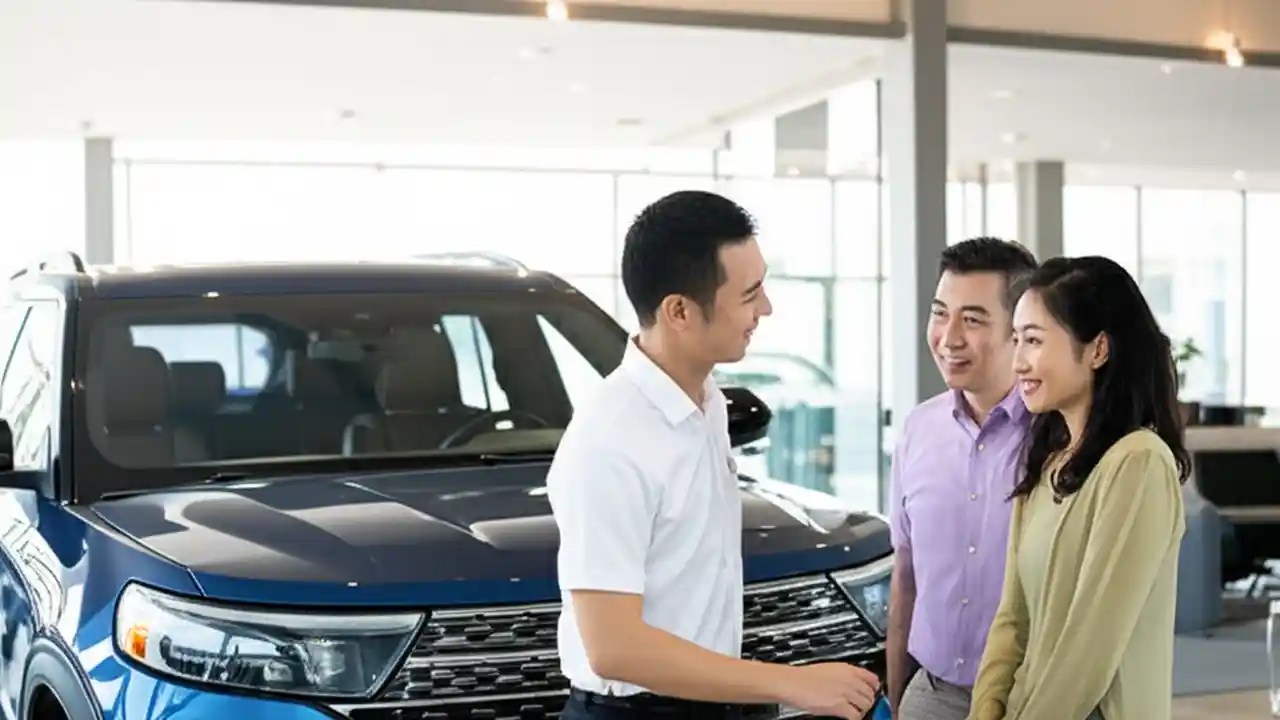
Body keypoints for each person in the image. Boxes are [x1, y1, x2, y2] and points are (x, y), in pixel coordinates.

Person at [547, 190, 881, 720]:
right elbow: (614, 647)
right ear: (679, 310)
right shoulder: (609, 440)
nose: (765, 309)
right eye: (749, 295)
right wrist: (794, 685)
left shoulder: (707, 403)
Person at [968, 256, 1190, 720]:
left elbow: (1090, 647)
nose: (1019, 361)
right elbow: (1012, 620)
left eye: (1033, 340)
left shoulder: (1138, 462)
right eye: (1015, 340)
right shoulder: (1047, 464)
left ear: (1098, 349)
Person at [887, 237, 1039, 720]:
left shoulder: (1059, 436)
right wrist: (898, 694)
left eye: (972, 319)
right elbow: (906, 578)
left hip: (1032, 698)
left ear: (1020, 331)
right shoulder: (917, 429)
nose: (948, 337)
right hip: (931, 694)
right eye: (940, 313)